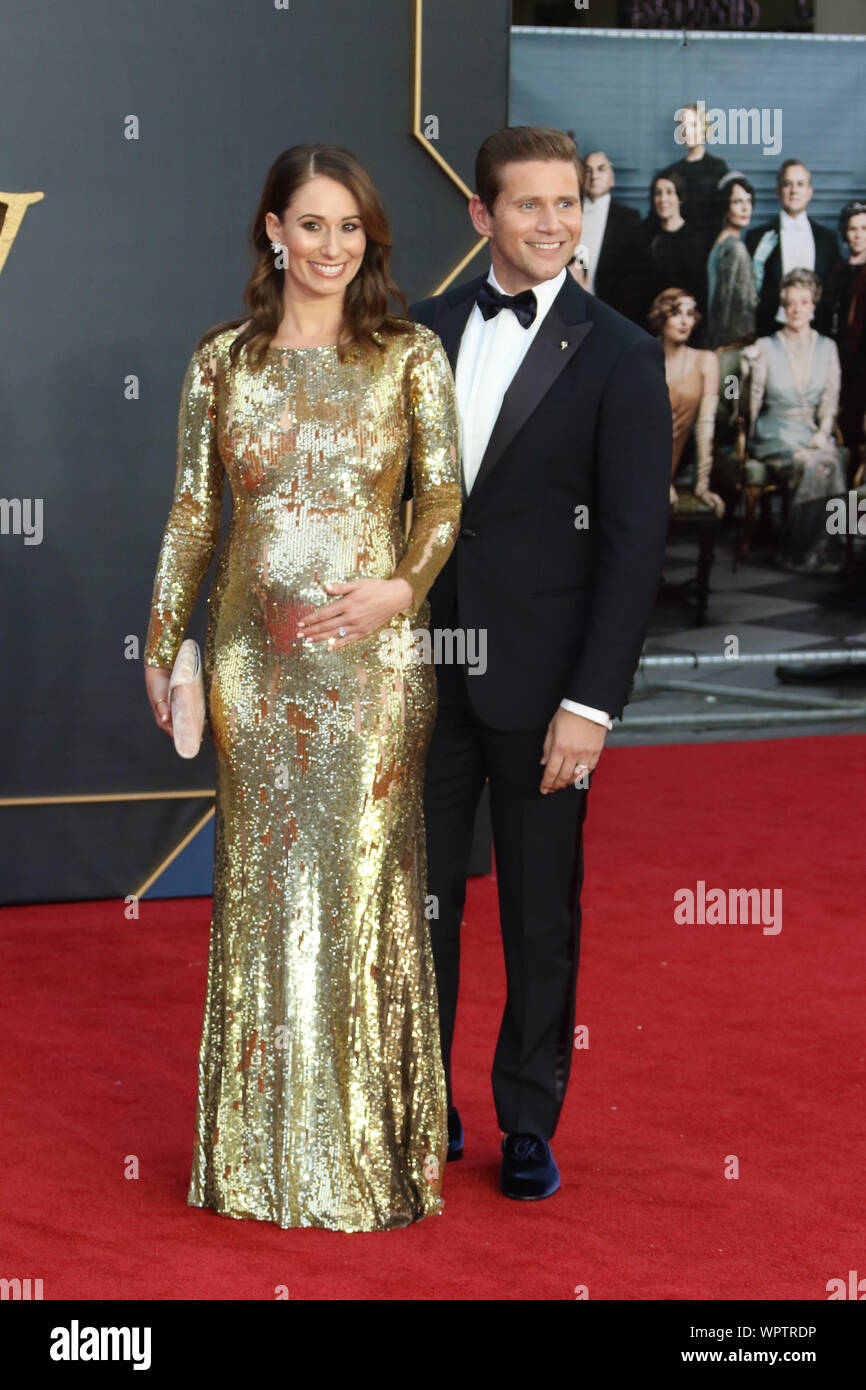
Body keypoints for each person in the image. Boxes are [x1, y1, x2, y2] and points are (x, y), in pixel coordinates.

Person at [143, 144, 462, 1231]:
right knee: (263, 896)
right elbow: (194, 515)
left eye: (350, 230)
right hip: (249, 662)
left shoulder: (409, 355)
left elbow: (442, 503)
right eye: (311, 225)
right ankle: (252, 1158)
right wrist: (157, 642)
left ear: (369, 242)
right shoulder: (221, 361)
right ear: (272, 230)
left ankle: (361, 1157)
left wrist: (399, 592)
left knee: (359, 890)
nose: (330, 248)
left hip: (370, 671)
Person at [408, 126, 672, 1200]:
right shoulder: (417, 335)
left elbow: (630, 547)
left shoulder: (618, 352)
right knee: (415, 907)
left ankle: (527, 1117)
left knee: (537, 911)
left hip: (544, 689)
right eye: (529, 205)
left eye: (566, 203)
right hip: (422, 677)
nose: (555, 223)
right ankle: (420, 1100)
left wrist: (590, 705)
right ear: (481, 216)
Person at [741, 269, 846, 572]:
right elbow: (742, 402)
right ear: (782, 306)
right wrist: (744, 376)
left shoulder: (828, 348)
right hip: (774, 430)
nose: (797, 309)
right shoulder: (764, 347)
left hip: (810, 432)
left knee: (829, 458)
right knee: (815, 463)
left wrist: (824, 432)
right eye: (790, 303)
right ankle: (799, 553)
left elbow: (830, 402)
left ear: (813, 305)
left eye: (803, 302)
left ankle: (826, 550)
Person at [648, 289, 724, 516]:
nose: (684, 321)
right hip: (635, 457)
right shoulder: (641, 357)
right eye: (676, 313)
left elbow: (705, 427)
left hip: (672, 462)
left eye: (690, 314)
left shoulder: (706, 361)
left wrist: (702, 484)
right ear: (661, 317)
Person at [745, 160, 838, 338]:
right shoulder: (756, 238)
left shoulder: (828, 239)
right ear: (778, 192)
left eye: (800, 184)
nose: (794, 190)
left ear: (809, 192)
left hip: (818, 334)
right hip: (770, 333)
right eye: (788, 184)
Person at [568, 150, 649, 324]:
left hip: (614, 314)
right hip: (569, 311)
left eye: (601, 169)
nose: (594, 175)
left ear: (612, 178)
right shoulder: (567, 215)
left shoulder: (630, 218)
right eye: (588, 170)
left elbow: (638, 279)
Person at [817, 199, 866, 471]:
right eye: (853, 228)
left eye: (864, 228)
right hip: (836, 360)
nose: (858, 234)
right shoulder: (837, 269)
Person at [663, 101, 729, 257]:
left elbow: (724, 213)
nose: (687, 131)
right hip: (678, 248)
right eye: (683, 126)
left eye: (693, 124)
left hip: (709, 247)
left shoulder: (718, 167)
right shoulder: (672, 171)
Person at [703, 172, 758, 351]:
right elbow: (724, 307)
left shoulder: (721, 242)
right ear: (725, 206)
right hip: (730, 345)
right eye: (737, 202)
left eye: (748, 201)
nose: (745, 208)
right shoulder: (734, 248)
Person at [643, 169, 707, 317]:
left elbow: (699, 291)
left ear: (680, 198)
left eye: (669, 192)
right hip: (651, 320)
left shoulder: (695, 239)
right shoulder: (646, 236)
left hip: (684, 320)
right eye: (658, 193)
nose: (663, 199)